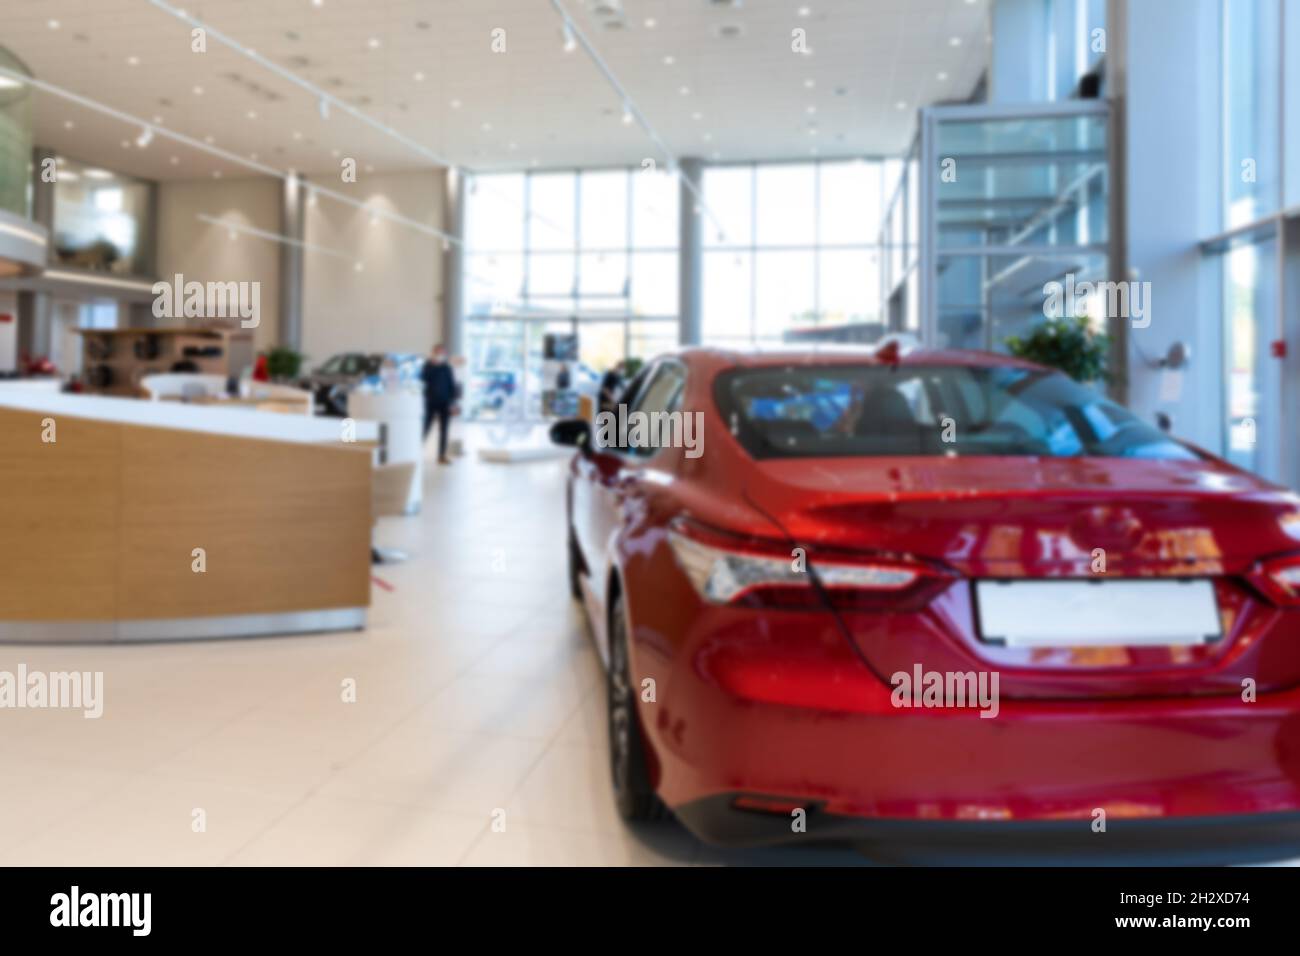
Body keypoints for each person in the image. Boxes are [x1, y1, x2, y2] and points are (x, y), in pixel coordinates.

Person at [420, 344, 457, 464]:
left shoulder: (447, 367)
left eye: (443, 353)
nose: (441, 355)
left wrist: (453, 402)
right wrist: (434, 365)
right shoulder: (427, 366)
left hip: (445, 402)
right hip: (430, 402)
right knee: (426, 427)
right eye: (438, 352)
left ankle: (441, 455)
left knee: (444, 430)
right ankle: (416, 452)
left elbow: (452, 385)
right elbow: (423, 380)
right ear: (433, 353)